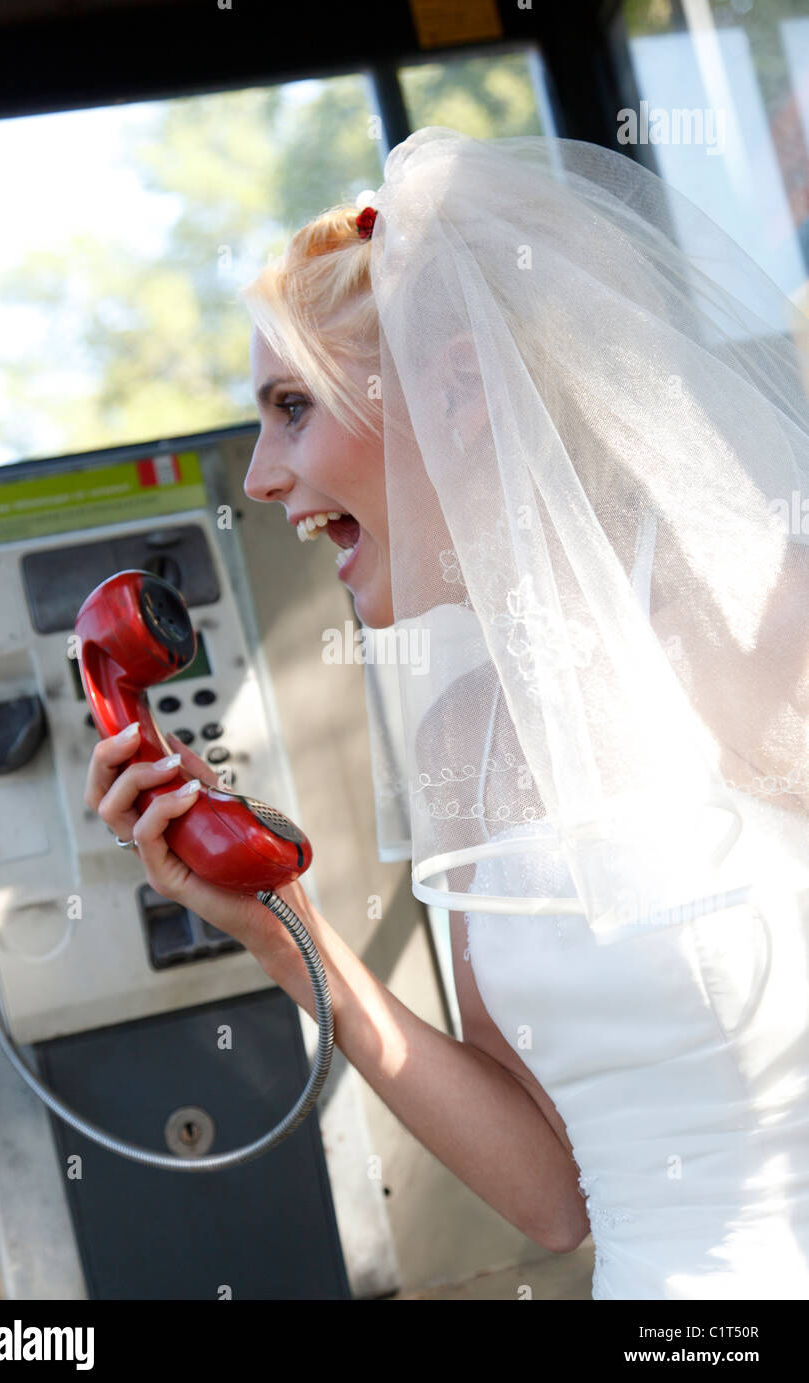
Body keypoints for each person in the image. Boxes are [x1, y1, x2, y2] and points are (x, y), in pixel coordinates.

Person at [84, 126, 809, 1297]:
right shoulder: (462, 734)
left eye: (290, 407)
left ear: (457, 389)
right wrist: (281, 929)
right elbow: (549, 1196)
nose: (260, 476)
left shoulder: (754, 623)